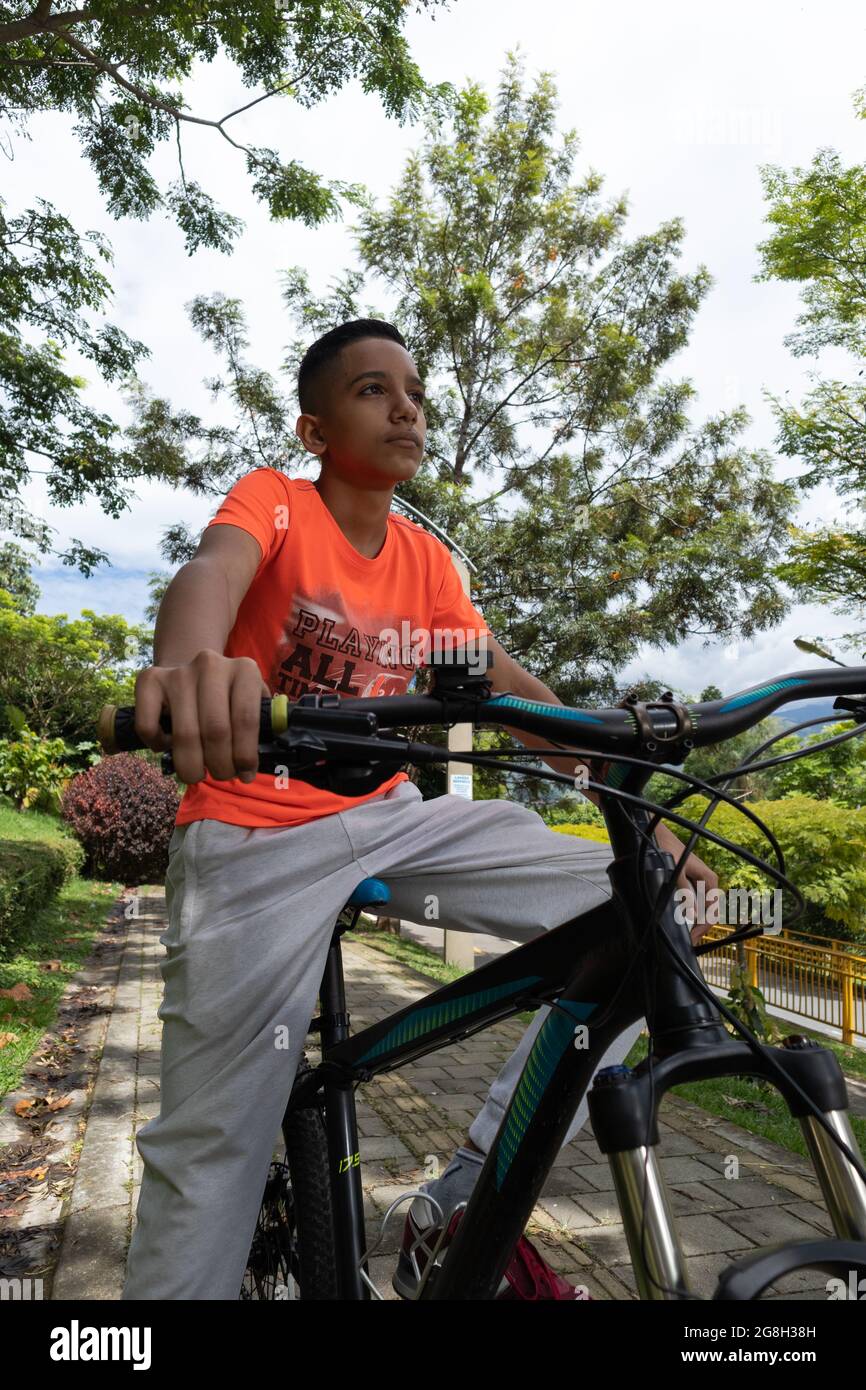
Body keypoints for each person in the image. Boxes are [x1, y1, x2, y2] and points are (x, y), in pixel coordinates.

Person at [122, 318, 718, 1300]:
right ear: (315, 430)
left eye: (411, 389)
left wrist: (638, 810)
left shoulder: (428, 564)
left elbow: (505, 693)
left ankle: (457, 1212)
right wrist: (191, 663)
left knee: (657, 911)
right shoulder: (276, 503)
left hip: (393, 815)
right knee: (211, 1146)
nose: (404, 405)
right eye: (370, 388)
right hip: (251, 829)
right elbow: (209, 576)